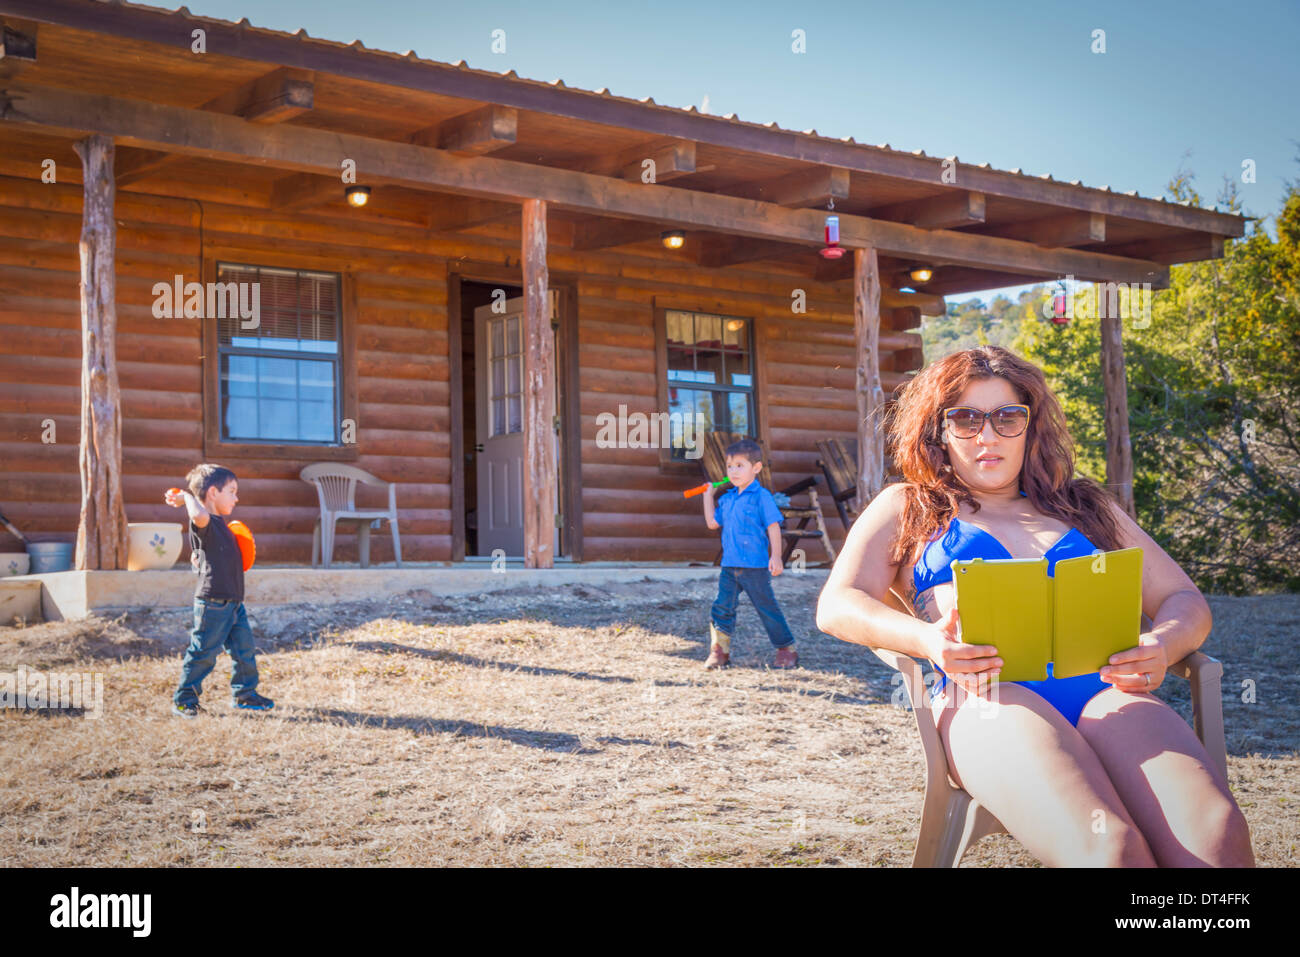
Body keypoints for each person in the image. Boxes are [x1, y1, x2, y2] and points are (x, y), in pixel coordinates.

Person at [816, 346, 1254, 867]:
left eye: (1007, 417)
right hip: (989, 698)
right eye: (965, 418)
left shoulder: (1086, 506)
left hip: (1105, 691)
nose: (987, 435)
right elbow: (838, 604)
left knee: (1217, 833)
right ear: (938, 430)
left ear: (1031, 426)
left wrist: (1161, 644)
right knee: (1110, 849)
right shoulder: (909, 506)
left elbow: (1184, 600)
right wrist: (929, 640)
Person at [165, 464, 275, 717]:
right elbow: (198, 517)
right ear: (213, 492)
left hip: (234, 602)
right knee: (203, 653)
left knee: (244, 650)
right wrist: (188, 498)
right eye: (232, 491)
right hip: (212, 603)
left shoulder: (223, 527)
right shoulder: (206, 522)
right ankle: (184, 700)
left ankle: (245, 695)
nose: (236, 498)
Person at [702, 439, 799, 670]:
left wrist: (776, 556)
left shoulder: (761, 496)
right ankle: (719, 651)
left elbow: (773, 526)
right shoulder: (726, 499)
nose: (733, 471)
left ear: (756, 468)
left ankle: (786, 649)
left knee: (766, 607)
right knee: (722, 607)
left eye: (739, 465)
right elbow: (712, 524)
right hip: (729, 566)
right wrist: (707, 496)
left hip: (755, 567)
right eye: (729, 466)